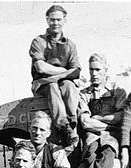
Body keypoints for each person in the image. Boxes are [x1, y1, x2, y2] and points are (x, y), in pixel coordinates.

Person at [29, 5, 82, 146]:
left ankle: (72, 123)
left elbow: (76, 71)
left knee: (69, 86)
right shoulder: (39, 42)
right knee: (52, 86)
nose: (55, 23)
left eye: (59, 20)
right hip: (43, 84)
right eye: (52, 20)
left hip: (62, 84)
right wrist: (64, 72)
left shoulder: (70, 45)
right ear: (47, 20)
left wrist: (59, 75)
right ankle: (63, 125)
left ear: (65, 20)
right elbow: (40, 67)